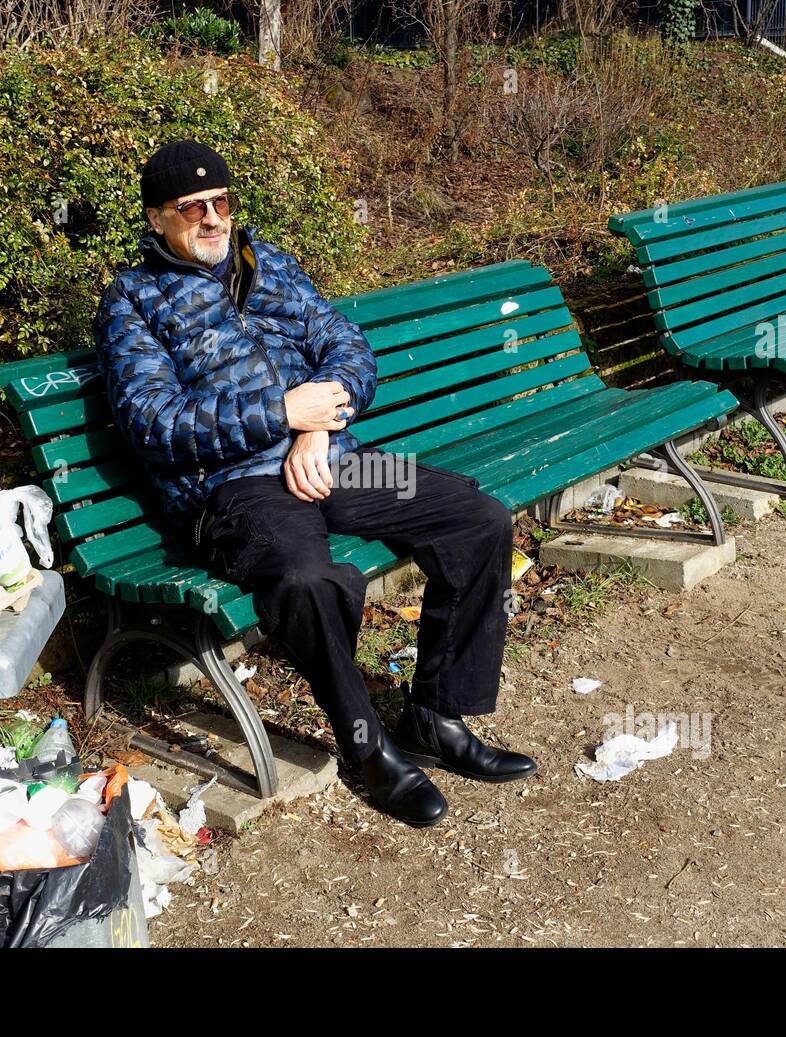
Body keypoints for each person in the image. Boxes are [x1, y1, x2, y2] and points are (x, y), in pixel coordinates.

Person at [94, 140, 537, 827]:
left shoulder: (266, 262)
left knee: (476, 516)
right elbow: (156, 424)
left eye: (222, 202)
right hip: (237, 490)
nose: (213, 218)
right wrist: (276, 413)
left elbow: (348, 348)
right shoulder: (133, 301)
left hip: (336, 456)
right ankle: (366, 742)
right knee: (306, 580)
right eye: (192, 209)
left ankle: (437, 715)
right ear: (157, 219)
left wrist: (316, 426)